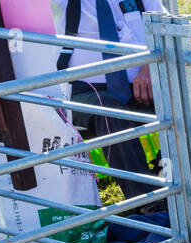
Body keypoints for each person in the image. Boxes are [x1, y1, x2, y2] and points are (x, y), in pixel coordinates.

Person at [57, 0, 165, 199]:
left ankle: (168, 171)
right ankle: (148, 204)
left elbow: (167, 28)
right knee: (108, 110)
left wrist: (152, 66)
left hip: (143, 82)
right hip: (84, 90)